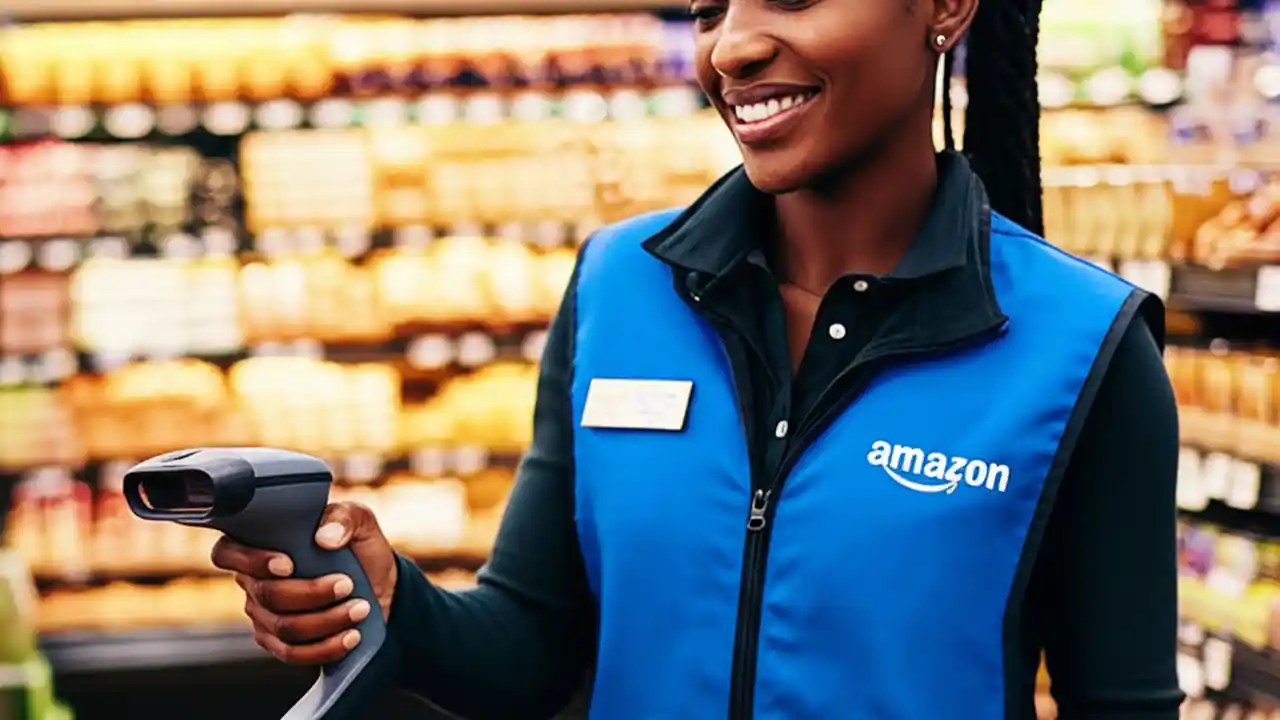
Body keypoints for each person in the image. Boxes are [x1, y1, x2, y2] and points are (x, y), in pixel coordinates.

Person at [212, 0, 1185, 718]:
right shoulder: (617, 287)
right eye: (709, 7)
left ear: (942, 10)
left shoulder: (1082, 346)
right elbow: (533, 646)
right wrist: (394, 603)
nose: (731, 46)